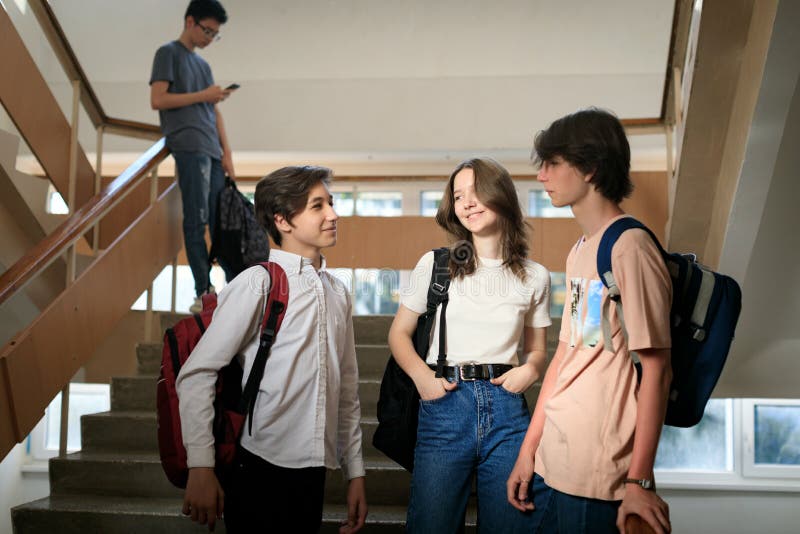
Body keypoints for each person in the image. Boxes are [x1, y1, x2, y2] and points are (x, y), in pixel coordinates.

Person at [506, 108, 672, 534]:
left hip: (601, 472)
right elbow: (567, 354)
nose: (542, 176)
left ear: (590, 168)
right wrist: (530, 449)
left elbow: (656, 369)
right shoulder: (582, 248)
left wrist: (640, 479)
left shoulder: (630, 247)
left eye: (552, 164)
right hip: (555, 460)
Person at [175, 166, 368, 533]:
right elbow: (197, 373)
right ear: (282, 219)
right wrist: (201, 465)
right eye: (318, 206)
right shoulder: (257, 283)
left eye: (331, 202)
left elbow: (347, 392)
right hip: (258, 467)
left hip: (315, 471)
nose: (333, 214)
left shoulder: (338, 293)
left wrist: (355, 472)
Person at [388, 157, 552, 533]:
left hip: (508, 411)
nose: (467, 203)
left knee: (512, 524)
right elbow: (398, 334)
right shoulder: (435, 265)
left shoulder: (535, 276)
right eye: (458, 195)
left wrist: (531, 370)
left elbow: (538, 349)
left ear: (502, 195)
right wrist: (423, 379)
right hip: (445, 404)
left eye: (477, 192)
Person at [150, 0, 236, 313]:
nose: (210, 38)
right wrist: (205, 95)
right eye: (208, 31)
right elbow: (157, 99)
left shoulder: (203, 66)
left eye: (215, 34)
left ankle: (233, 290)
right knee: (196, 219)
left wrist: (227, 153)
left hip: (212, 150)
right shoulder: (168, 53)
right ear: (190, 21)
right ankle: (204, 291)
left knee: (219, 223)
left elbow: (215, 112)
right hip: (188, 145)